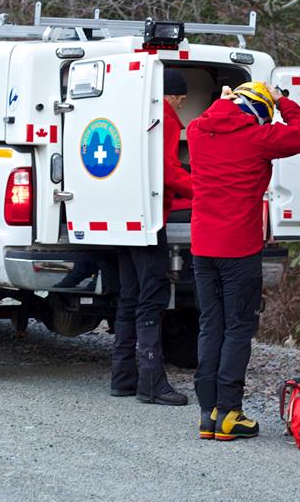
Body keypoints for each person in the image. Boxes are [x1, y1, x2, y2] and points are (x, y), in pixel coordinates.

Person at [187, 81, 300, 440]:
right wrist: (283, 101)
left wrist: (222, 102)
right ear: (259, 112)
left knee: (210, 326)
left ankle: (208, 414)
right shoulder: (258, 137)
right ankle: (230, 413)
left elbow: (213, 118)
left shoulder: (197, 131)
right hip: (238, 249)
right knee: (237, 329)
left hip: (203, 248)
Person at [110, 69, 193, 405]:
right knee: (152, 297)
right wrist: (203, 189)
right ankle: (151, 382)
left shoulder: (127, 113)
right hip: (148, 220)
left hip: (122, 215)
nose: (180, 105)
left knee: (129, 295)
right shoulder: (165, 119)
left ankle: (122, 378)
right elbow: (168, 170)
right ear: (170, 95)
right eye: (180, 98)